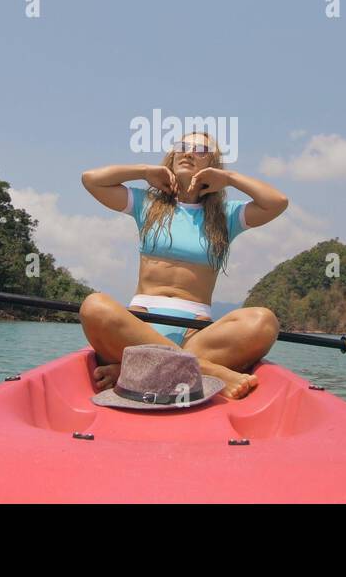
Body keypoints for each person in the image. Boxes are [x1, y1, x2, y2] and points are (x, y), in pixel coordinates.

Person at [79, 132, 289, 399]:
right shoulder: (148, 204)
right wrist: (144, 171)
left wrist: (229, 179)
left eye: (201, 150)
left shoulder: (227, 216)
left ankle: (137, 368)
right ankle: (199, 369)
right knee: (93, 306)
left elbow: (277, 202)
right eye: (182, 147)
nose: (189, 153)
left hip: (197, 335)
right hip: (138, 327)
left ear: (212, 165)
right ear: (172, 157)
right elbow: (91, 180)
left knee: (264, 321)